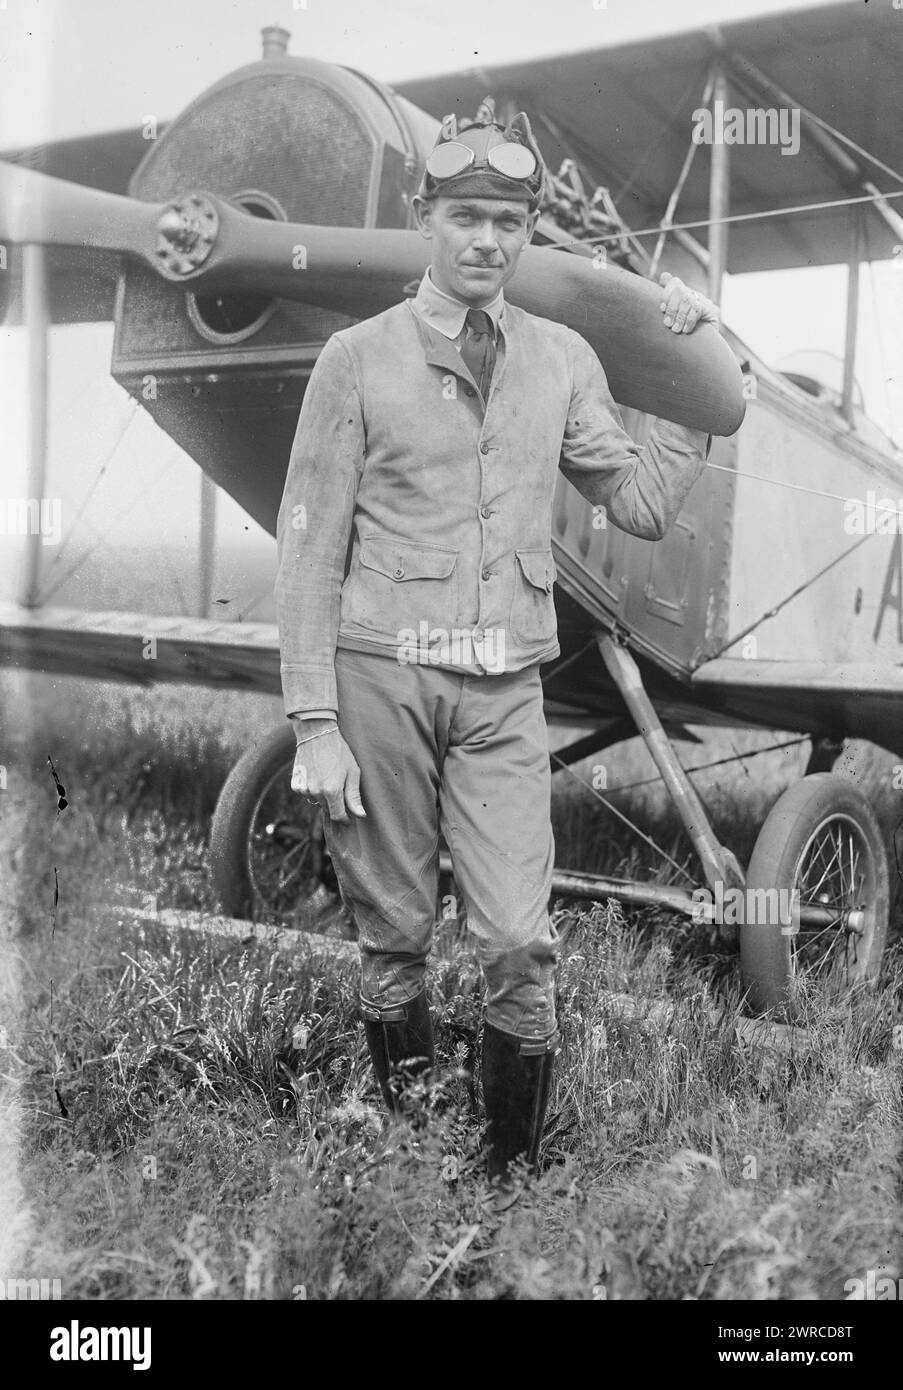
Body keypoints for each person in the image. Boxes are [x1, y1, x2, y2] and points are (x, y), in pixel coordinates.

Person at [275, 102, 718, 1192]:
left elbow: (647, 506)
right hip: (381, 676)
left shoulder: (563, 358)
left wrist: (691, 358)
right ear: (428, 217)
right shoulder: (354, 358)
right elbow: (306, 546)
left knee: (520, 937)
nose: (486, 240)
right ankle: (415, 1143)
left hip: (503, 687)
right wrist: (315, 721)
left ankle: (510, 1175)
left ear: (527, 235)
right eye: (466, 216)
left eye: (509, 222)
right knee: (394, 933)